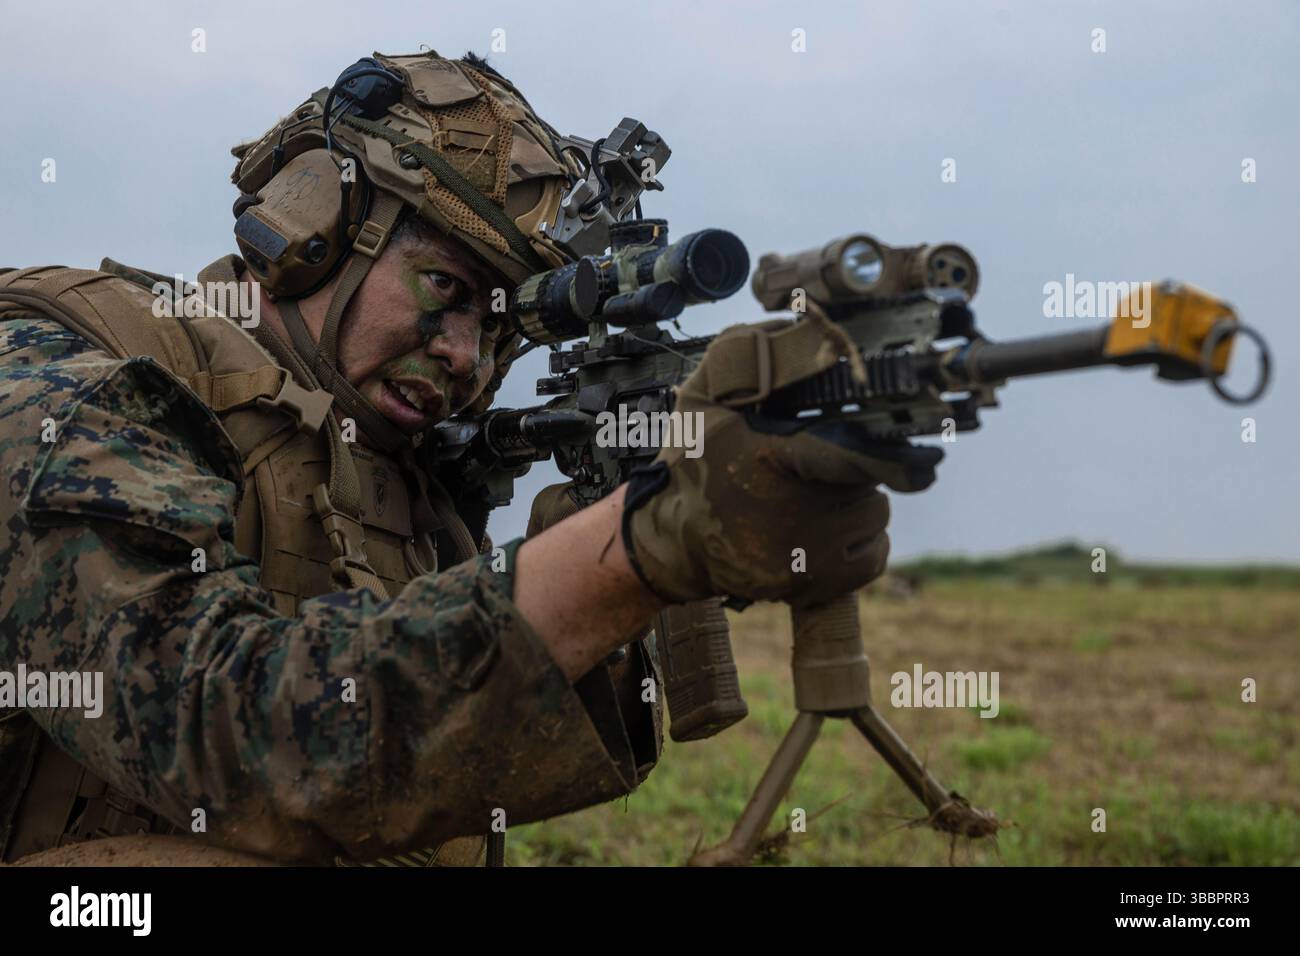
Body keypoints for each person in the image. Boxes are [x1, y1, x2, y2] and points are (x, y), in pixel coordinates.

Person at [0, 50, 915, 866]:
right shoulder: (61, 371)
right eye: (447, 289)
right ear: (313, 219)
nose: (467, 357)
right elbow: (224, 737)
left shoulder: (396, 467)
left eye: (502, 324)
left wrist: (594, 543)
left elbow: (455, 774)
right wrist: (638, 548)